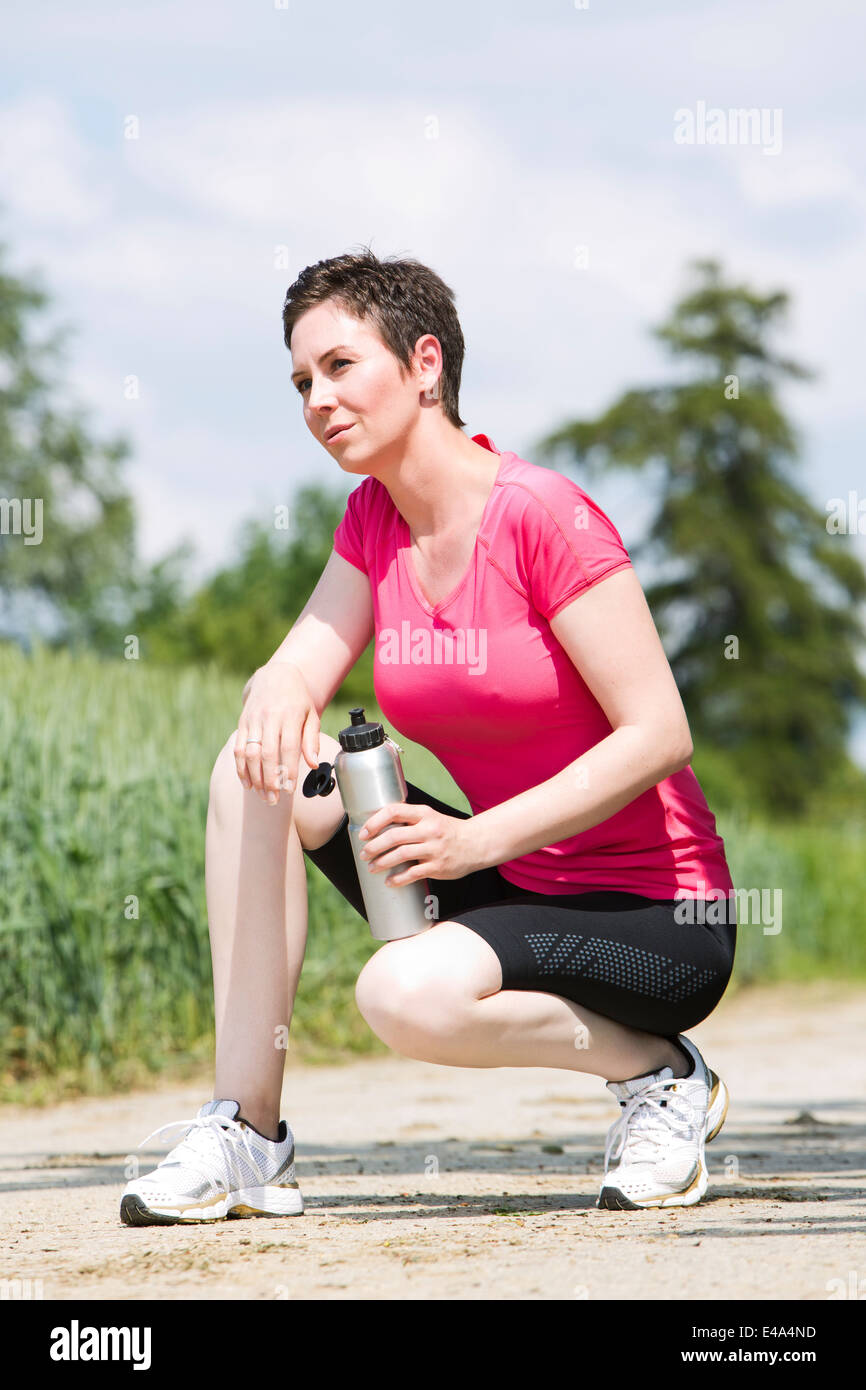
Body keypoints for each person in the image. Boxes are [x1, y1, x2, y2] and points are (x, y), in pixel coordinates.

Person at [120, 248, 736, 1226]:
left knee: (402, 995)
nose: (317, 398)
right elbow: (296, 668)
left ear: (422, 365)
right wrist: (276, 686)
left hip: (653, 914)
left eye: (338, 365)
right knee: (255, 775)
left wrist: (472, 842)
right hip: (518, 890)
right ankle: (246, 1131)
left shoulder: (540, 515)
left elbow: (657, 731)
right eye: (299, 381)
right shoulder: (375, 522)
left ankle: (660, 1075)